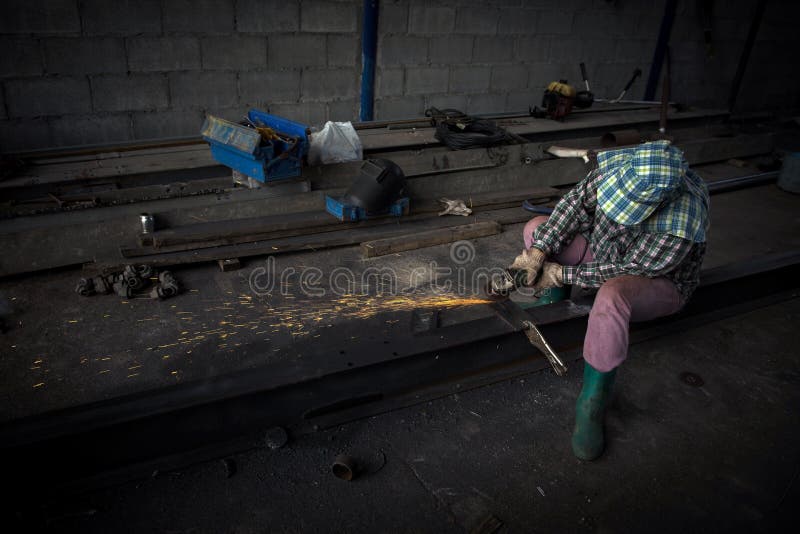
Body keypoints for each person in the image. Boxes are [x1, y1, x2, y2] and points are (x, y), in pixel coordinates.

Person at [512, 140, 710, 461]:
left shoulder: (681, 222)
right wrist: (538, 254)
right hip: (607, 254)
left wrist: (561, 273)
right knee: (538, 228)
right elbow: (573, 205)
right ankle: (552, 302)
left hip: (655, 284)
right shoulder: (617, 167)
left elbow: (626, 270)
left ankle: (593, 400)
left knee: (613, 294)